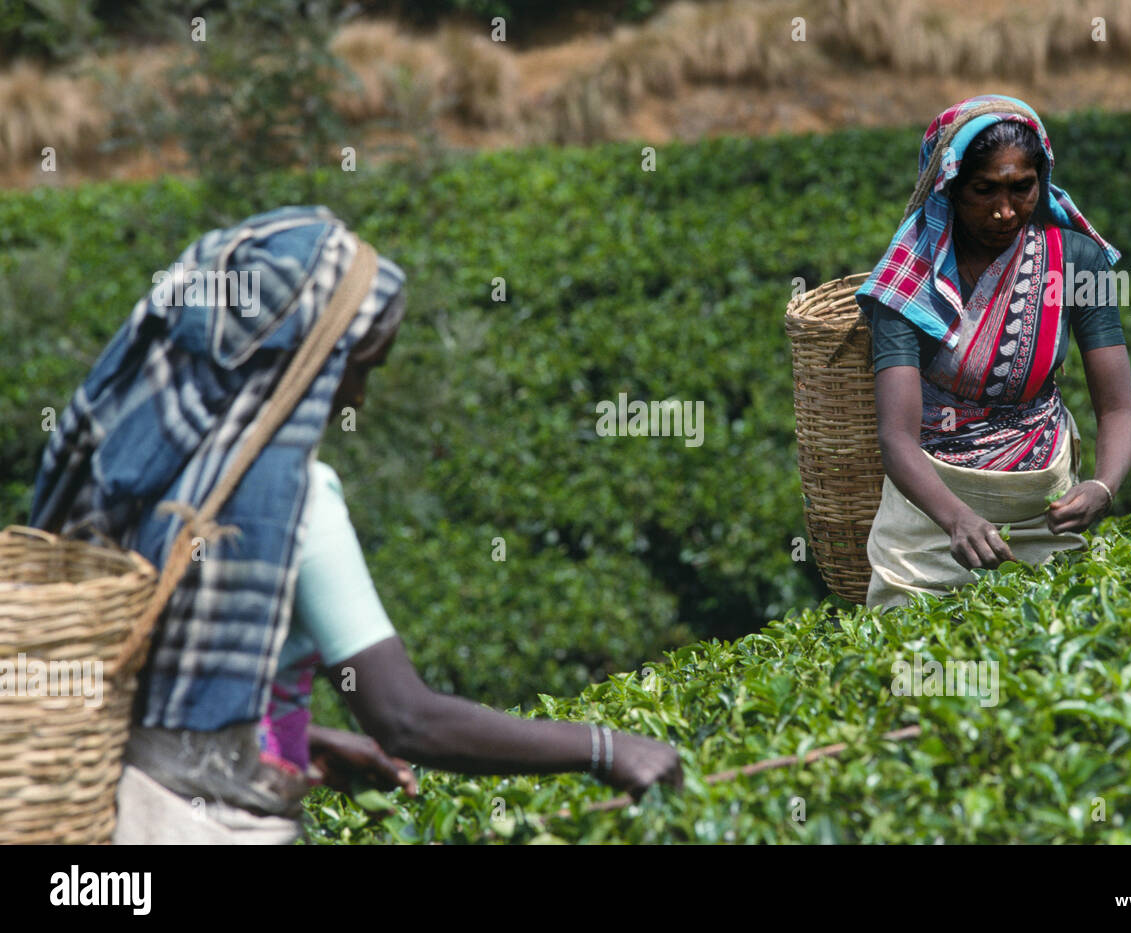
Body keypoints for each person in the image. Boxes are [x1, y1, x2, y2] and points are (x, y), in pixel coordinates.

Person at [29, 206, 681, 844]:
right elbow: (407, 718)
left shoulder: (133, 466)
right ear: (304, 355)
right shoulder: (297, 503)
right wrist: (605, 745)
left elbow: (153, 693)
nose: (359, 397)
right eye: (357, 366)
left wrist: (302, 738)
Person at [854, 95, 1131, 610]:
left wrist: (1103, 485)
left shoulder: (1075, 261)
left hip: (1042, 507)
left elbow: (1117, 407)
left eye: (1022, 188)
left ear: (1042, 180)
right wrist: (956, 519)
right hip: (931, 518)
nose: (1005, 210)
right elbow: (896, 437)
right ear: (949, 188)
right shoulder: (907, 282)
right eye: (984, 190)